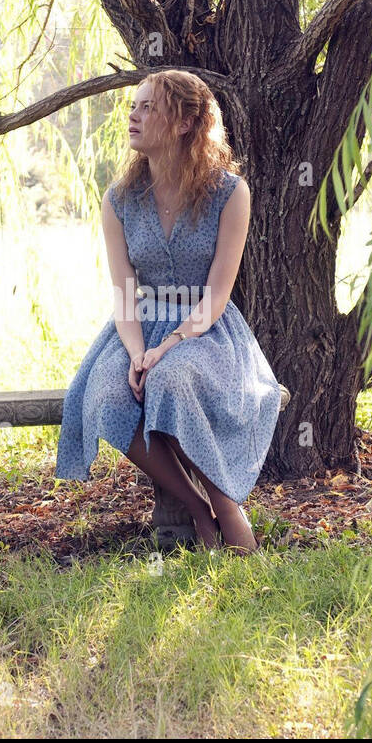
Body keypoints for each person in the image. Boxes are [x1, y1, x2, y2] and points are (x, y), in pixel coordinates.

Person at [55, 71, 282, 553]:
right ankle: (197, 510)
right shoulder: (118, 200)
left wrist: (170, 346)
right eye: (132, 107)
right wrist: (138, 352)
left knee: (172, 380)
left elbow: (218, 295)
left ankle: (227, 510)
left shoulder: (230, 193)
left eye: (147, 108)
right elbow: (123, 295)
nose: (132, 117)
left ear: (183, 123)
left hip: (204, 330)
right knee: (107, 397)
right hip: (133, 329)